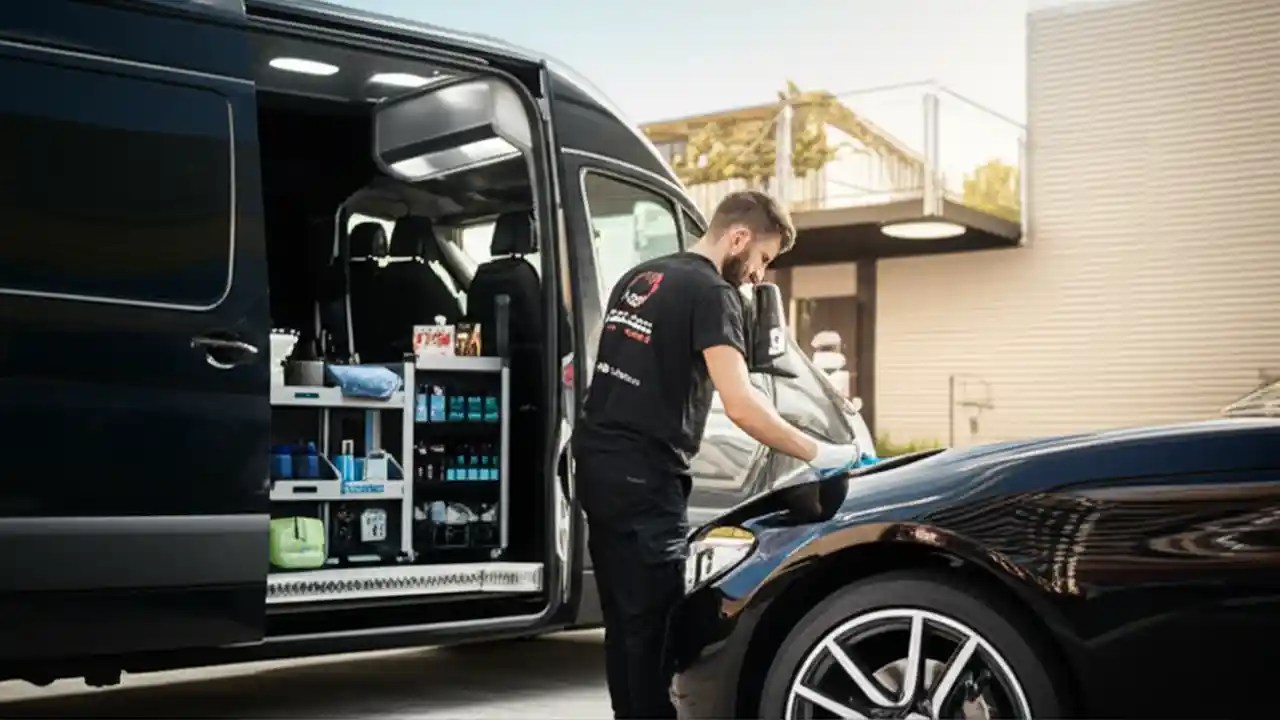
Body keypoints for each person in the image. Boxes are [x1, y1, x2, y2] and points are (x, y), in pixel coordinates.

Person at [571, 190, 865, 719]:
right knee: (657, 629)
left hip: (597, 465)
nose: (759, 275)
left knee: (624, 626)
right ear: (739, 238)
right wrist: (818, 451)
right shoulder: (713, 293)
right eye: (764, 260)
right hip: (644, 477)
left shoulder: (641, 278)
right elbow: (742, 405)